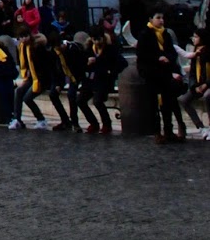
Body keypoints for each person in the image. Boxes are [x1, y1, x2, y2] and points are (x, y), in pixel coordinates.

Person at [136, 8, 187, 143]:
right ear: (151, 19)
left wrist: (168, 59)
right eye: (158, 17)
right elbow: (142, 55)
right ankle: (157, 132)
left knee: (167, 102)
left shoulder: (165, 34)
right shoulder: (145, 35)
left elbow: (172, 51)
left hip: (165, 73)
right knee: (154, 104)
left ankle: (169, 130)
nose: (161, 20)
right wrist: (158, 58)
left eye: (162, 18)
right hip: (151, 74)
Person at [82, 21, 125, 135]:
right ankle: (94, 123)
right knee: (80, 100)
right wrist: (87, 63)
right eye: (94, 39)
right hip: (91, 80)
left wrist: (110, 72)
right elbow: (82, 65)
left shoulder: (110, 48)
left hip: (104, 80)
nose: (97, 41)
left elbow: (121, 63)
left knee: (97, 101)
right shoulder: (89, 49)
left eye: (99, 39)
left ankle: (107, 124)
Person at [178, 28, 209, 135]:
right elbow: (192, 72)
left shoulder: (207, 51)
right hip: (198, 84)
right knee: (184, 100)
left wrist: (206, 84)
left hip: (207, 84)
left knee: (208, 96)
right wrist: (194, 86)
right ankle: (201, 127)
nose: (193, 39)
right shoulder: (196, 52)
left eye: (196, 37)